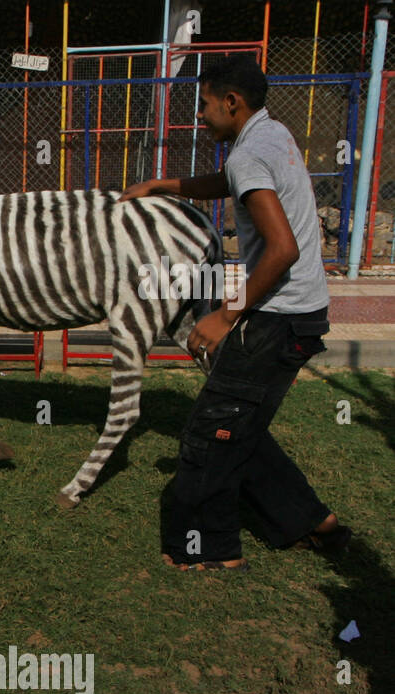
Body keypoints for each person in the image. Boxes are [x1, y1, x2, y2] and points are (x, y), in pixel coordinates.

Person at [121, 55, 349, 571]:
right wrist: (165, 185)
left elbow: (281, 248)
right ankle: (311, 521)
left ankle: (206, 550)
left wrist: (226, 315)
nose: (200, 116)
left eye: (204, 105)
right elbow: (228, 182)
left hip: (276, 318)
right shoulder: (272, 136)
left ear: (231, 103)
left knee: (211, 432)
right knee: (240, 426)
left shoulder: (250, 155)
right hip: (303, 313)